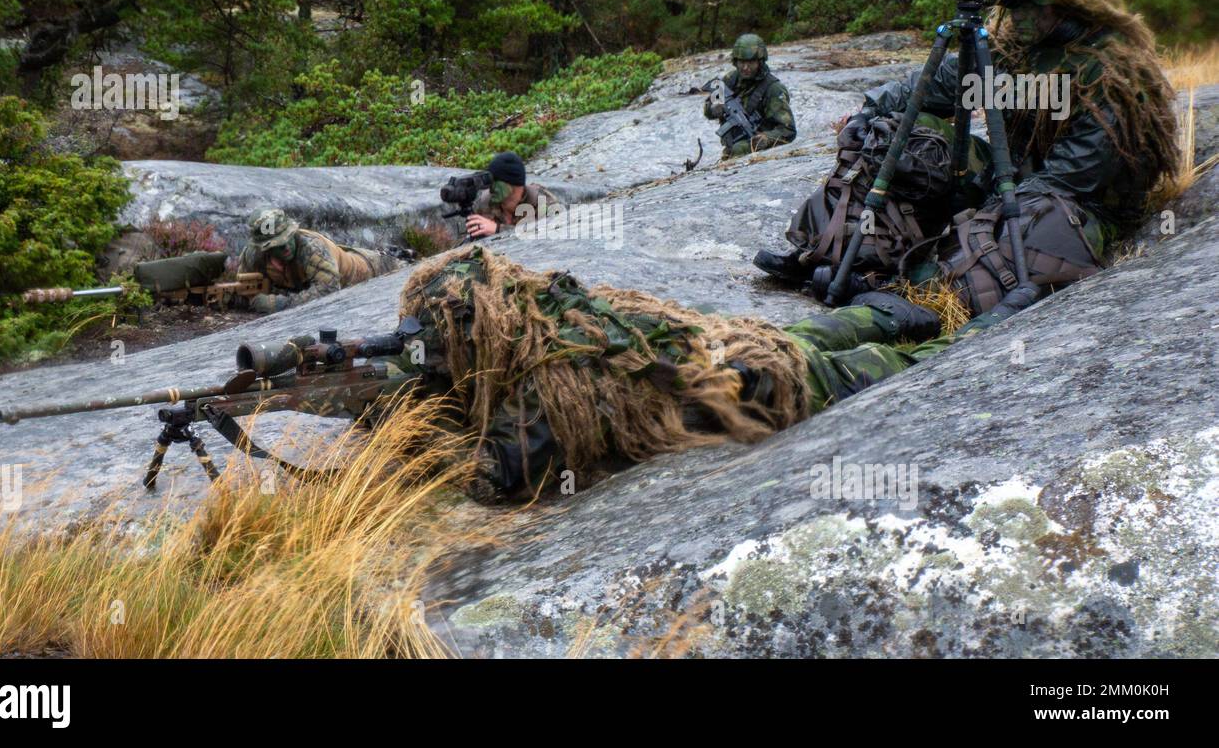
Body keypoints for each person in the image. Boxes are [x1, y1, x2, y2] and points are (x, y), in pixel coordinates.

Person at [395, 247, 1037, 502]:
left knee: (893, 367)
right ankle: (902, 309)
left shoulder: (555, 384)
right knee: (817, 330)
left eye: (450, 344)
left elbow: (501, 469)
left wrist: (416, 430)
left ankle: (997, 317)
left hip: (773, 386)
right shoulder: (558, 308)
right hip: (731, 340)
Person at [756, 0, 1178, 315]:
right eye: (1008, 5)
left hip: (1075, 205)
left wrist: (986, 207)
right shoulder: (1011, 50)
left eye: (1027, 5)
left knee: (1035, 215)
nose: (1015, 17)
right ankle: (836, 253)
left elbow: (1073, 178)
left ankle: (918, 287)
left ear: (1063, 4)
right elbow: (930, 85)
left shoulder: (1109, 71)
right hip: (1009, 177)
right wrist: (869, 113)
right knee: (903, 136)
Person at [239, 207, 403, 313]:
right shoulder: (254, 255)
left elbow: (328, 291)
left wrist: (279, 304)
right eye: (278, 245)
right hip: (337, 263)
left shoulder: (311, 247)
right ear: (264, 247)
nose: (286, 246)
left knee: (406, 270)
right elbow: (244, 286)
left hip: (370, 269)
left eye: (288, 237)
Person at [703, 33, 796, 158]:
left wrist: (766, 139)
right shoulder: (730, 79)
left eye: (751, 62)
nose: (746, 67)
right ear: (735, 62)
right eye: (742, 62)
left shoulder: (773, 89)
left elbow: (788, 130)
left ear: (760, 62)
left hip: (760, 150)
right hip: (731, 148)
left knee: (739, 148)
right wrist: (714, 108)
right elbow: (708, 111)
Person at [464, 151, 562, 240]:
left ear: (512, 185)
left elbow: (551, 236)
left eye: (495, 183)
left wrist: (499, 230)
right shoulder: (486, 201)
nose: (491, 188)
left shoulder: (543, 202)